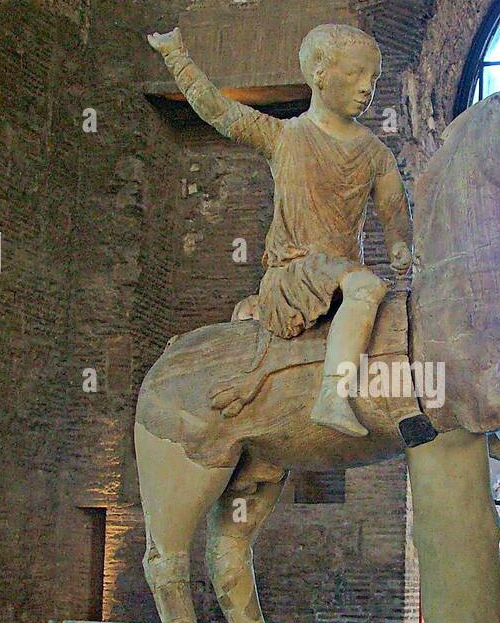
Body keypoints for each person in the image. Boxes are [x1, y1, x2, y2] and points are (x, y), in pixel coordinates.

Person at [147, 22, 413, 436]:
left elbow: (396, 214)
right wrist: (176, 58)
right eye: (355, 74)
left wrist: (400, 245)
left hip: (339, 277)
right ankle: (332, 396)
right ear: (319, 74)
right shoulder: (286, 137)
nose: (366, 87)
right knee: (367, 288)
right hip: (294, 274)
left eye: (373, 78)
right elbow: (217, 109)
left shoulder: (376, 155)